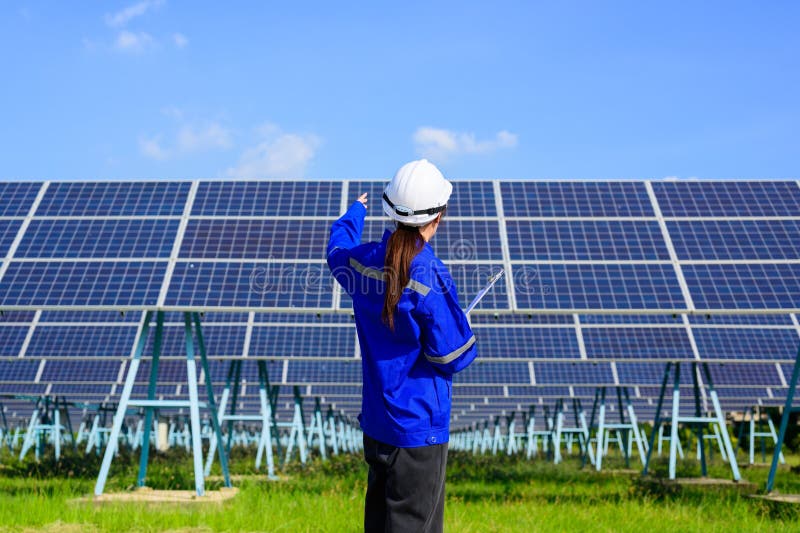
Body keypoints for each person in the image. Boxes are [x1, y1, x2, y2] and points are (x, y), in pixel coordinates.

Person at [327, 159, 478, 533]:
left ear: (389, 211)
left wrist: (353, 214)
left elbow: (336, 251)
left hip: (377, 426)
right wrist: (463, 325)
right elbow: (452, 356)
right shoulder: (430, 273)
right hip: (418, 430)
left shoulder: (360, 264)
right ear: (438, 217)